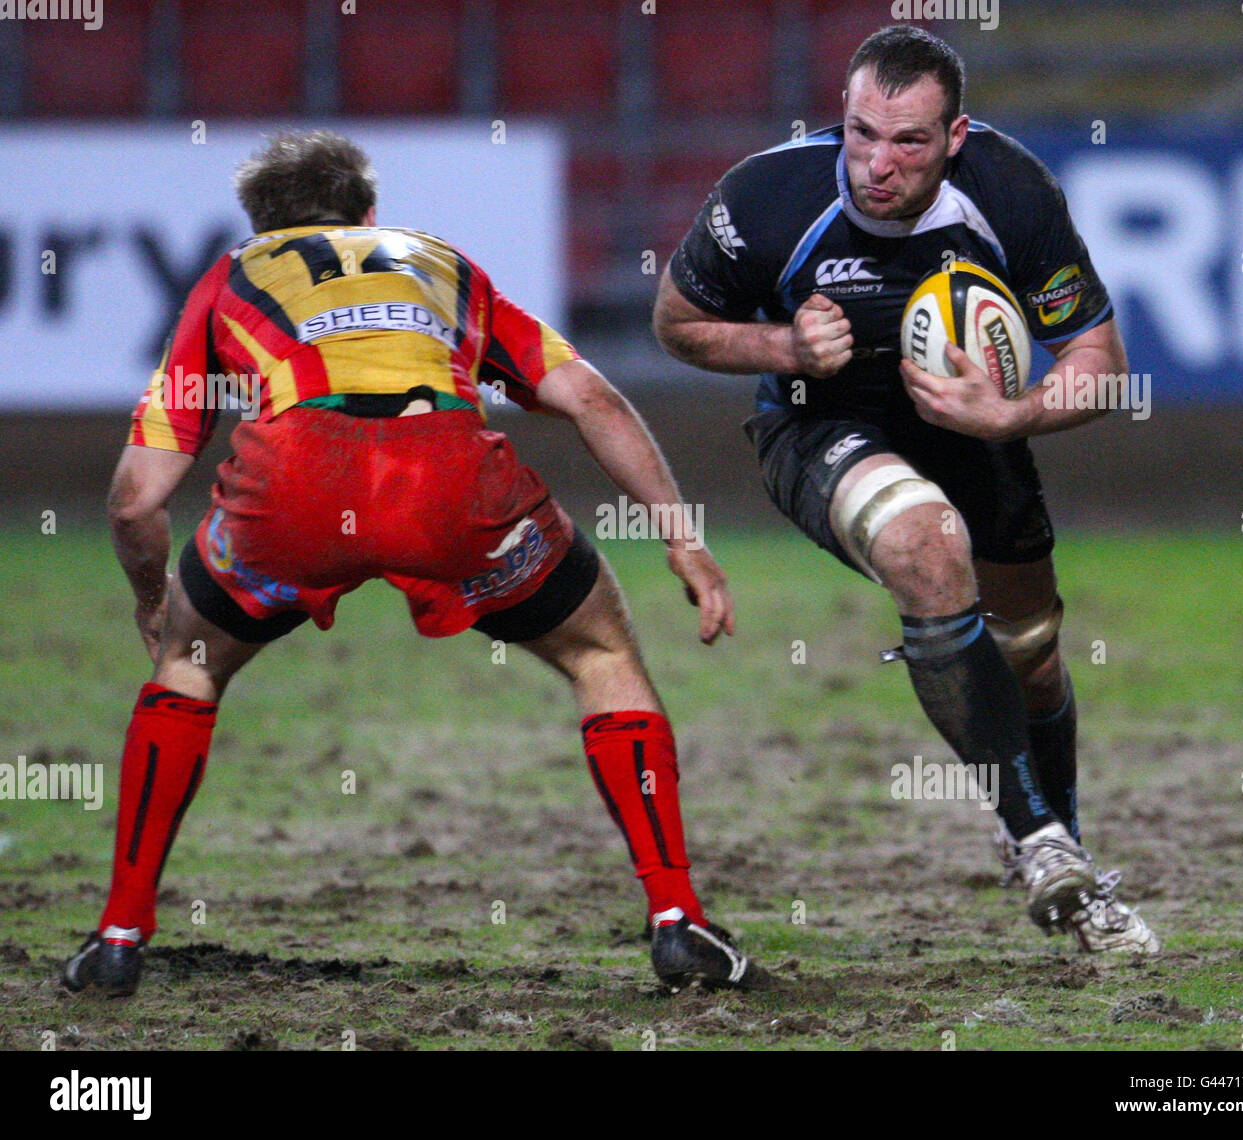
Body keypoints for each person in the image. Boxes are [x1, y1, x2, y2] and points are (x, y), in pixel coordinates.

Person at [64, 129, 766, 997]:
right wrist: (681, 535)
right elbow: (588, 395)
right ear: (366, 213)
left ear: (258, 223)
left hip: (295, 489)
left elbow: (136, 498)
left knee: (188, 668)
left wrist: (151, 604)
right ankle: (676, 920)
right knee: (601, 652)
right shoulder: (439, 263)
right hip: (448, 480)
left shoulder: (230, 275)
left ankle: (119, 938)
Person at [653, 25, 1157, 953]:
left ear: (955, 137)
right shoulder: (766, 196)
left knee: (1034, 654)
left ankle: (1067, 867)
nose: (877, 164)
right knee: (928, 545)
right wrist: (781, 348)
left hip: (973, 430)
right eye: (860, 134)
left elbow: (1102, 364)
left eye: (909, 142)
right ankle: (1040, 839)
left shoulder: (1009, 190)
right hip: (817, 425)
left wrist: (1008, 418)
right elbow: (678, 322)